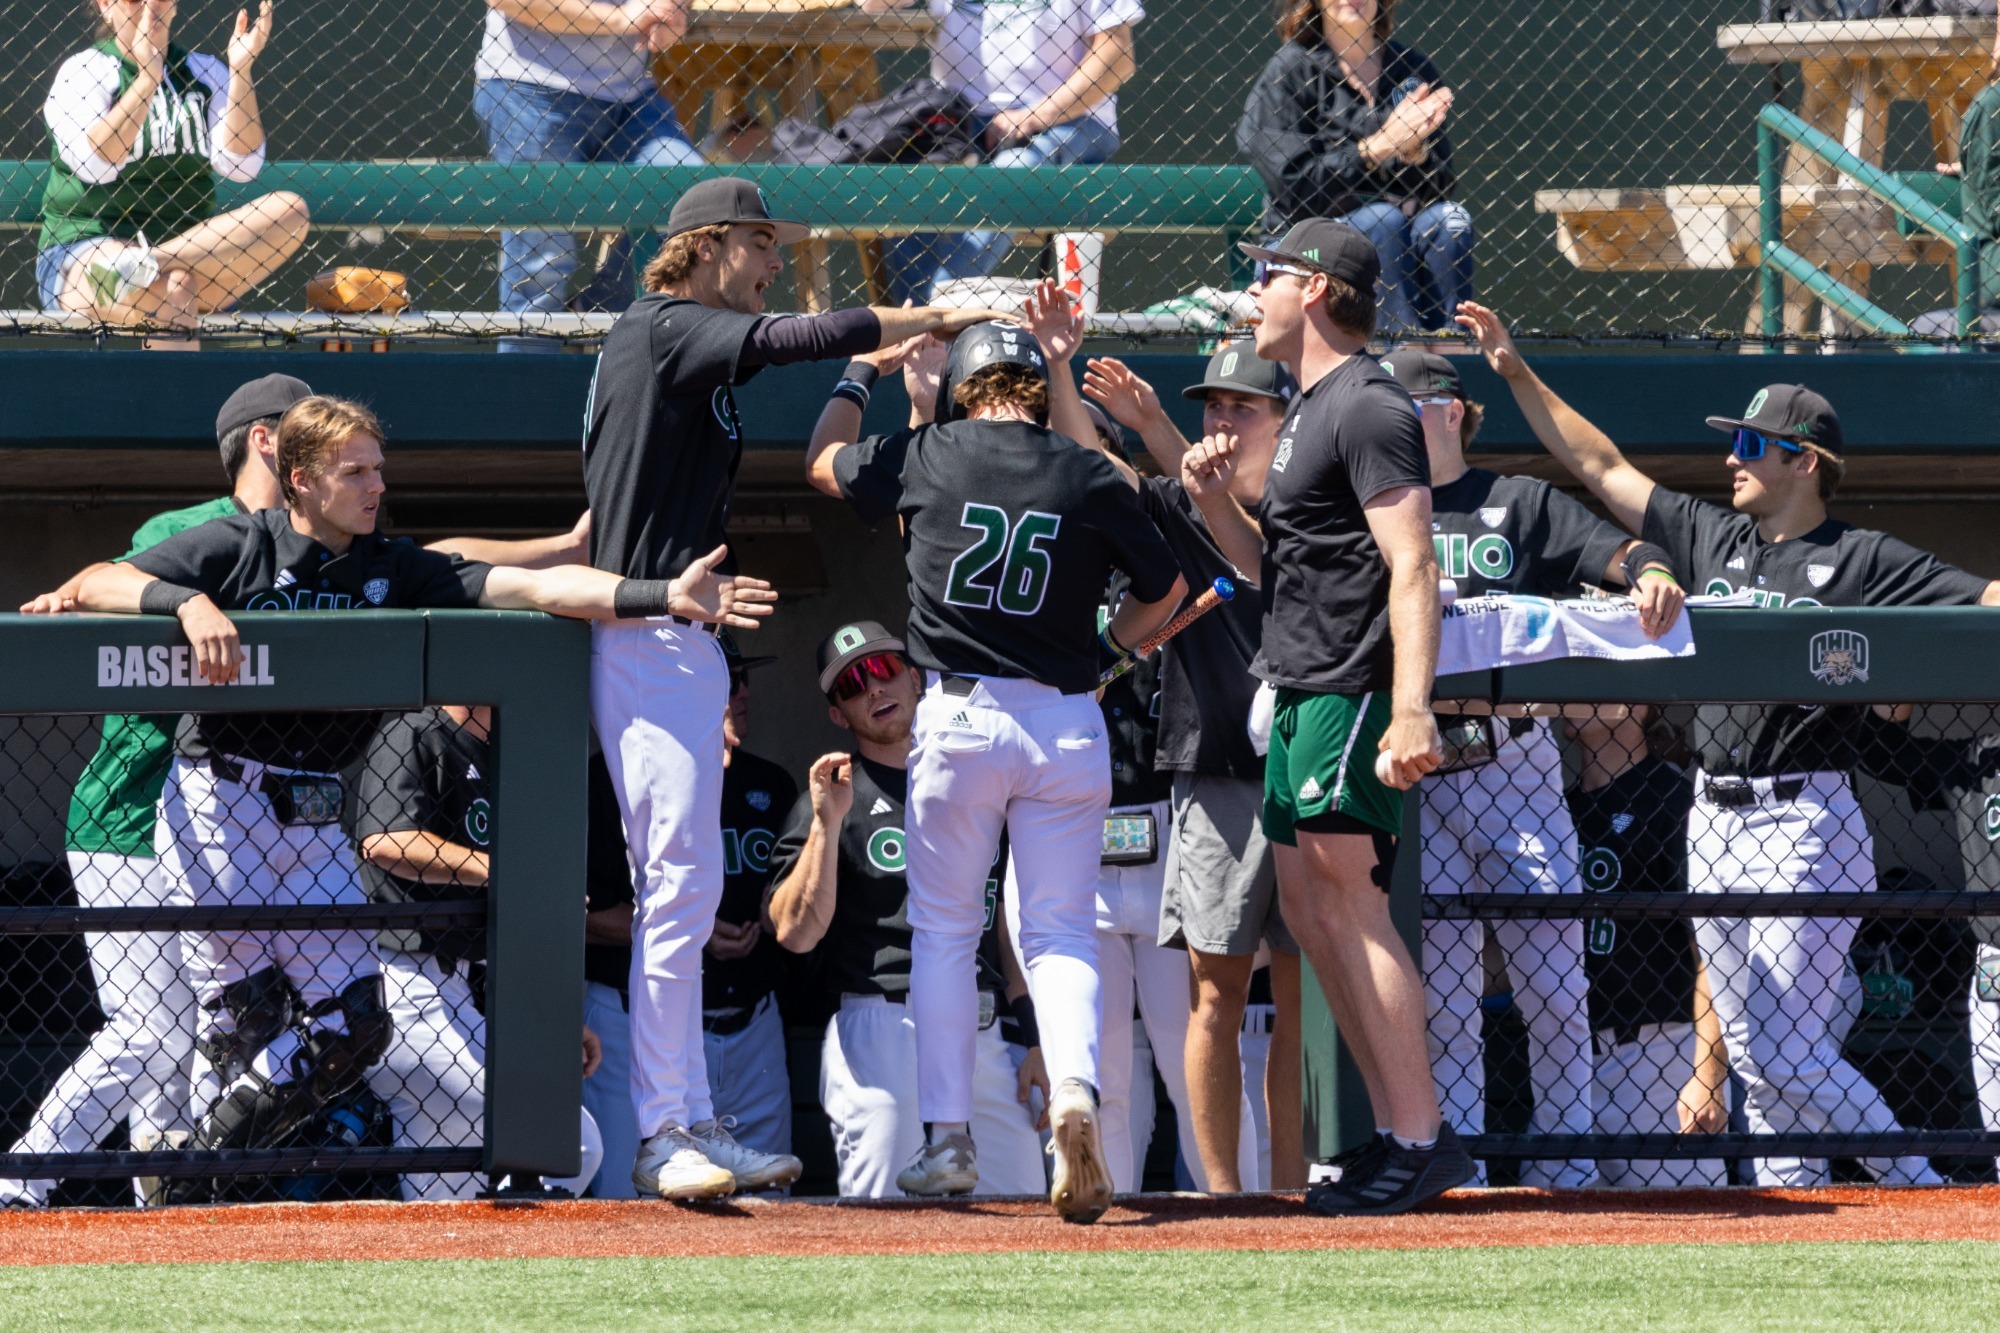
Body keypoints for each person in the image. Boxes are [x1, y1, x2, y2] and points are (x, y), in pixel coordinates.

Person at [67, 392, 768, 1179]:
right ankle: (201, 1185)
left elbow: (532, 590)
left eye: (378, 469)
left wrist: (659, 596)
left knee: (358, 1026)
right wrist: (189, 602)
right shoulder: (241, 542)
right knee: (246, 1016)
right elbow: (98, 581)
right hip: (220, 795)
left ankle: (199, 1162)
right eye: (354, 471)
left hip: (314, 807)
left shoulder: (390, 565)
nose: (375, 486)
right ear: (298, 479)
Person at [1457, 298, 2000, 1186]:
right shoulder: (1715, 535)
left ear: (1804, 461)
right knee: (1751, 1049)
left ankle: (1920, 1182)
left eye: (1751, 445)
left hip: (1806, 818)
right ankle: (1806, 1208)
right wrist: (1515, 371)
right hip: (1712, 814)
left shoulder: (1862, 557)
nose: (1731, 460)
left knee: (1786, 1047)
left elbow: (1982, 599)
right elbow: (1599, 465)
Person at [582, 174, 1003, 1201]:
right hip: (646, 632)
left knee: (680, 887)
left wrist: (863, 366)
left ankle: (688, 1118)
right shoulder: (663, 323)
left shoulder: (677, 341)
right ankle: (665, 1128)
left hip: (674, 626)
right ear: (715, 243)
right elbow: (788, 337)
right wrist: (939, 313)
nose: (774, 264)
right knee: (674, 887)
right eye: (764, 245)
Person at [804, 282, 1186, 1222]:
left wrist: (870, 368)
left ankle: (947, 1141)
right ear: (1030, 383)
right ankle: (1073, 1098)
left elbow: (821, 465)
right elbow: (1167, 587)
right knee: (1058, 930)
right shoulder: (1088, 469)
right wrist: (1109, 655)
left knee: (946, 930)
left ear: (972, 389)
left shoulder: (933, 448)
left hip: (962, 719)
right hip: (1064, 718)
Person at [1177, 217, 1472, 1215]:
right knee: (1306, 911)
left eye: (1264, 276)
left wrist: (1409, 708)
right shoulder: (1308, 406)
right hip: (1298, 684)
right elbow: (1280, 568)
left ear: (1312, 288)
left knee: (1351, 903)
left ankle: (1421, 1137)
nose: (1249, 292)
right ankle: (1395, 1132)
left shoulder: (1367, 402)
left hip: (1346, 690)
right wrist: (1218, 506)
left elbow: (1412, 564)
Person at [1380, 346, 1685, 1190]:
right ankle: (1462, 1162)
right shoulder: (1376, 505)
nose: (1401, 421)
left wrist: (1652, 566)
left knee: (1552, 979)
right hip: (1424, 769)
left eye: (1414, 405)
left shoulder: (1516, 500)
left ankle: (1570, 1158)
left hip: (1513, 762)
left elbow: (1614, 551)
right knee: (1442, 995)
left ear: (1452, 411)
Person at [0, 372, 304, 1210]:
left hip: (226, 827)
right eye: (304, 427)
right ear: (265, 438)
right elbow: (107, 576)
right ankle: (20, 1177)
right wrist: (169, 597)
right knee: (149, 1034)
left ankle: (161, 1212)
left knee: (199, 1044)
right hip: (131, 816)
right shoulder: (188, 529)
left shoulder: (322, 548)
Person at [1082, 342, 1301, 1192]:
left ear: (1286, 423)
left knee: (1298, 1001)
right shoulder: (1178, 500)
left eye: (1243, 406)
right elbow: (1094, 465)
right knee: (1215, 992)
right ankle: (1225, 1196)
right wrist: (1077, 380)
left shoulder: (1309, 498)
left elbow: (1250, 543)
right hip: (1215, 772)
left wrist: (1155, 425)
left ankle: (1292, 1188)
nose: (1223, 419)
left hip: (1308, 764)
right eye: (1214, 405)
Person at [766, 621, 1051, 1198]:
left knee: (1022, 1220)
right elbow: (794, 934)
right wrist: (827, 822)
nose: (872, 689)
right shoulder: (832, 799)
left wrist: (1037, 1037)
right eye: (851, 686)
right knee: (884, 1224)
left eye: (882, 670)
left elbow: (1006, 923)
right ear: (838, 715)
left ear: (916, 678)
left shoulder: (979, 783)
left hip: (984, 1024)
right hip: (882, 1022)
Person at [349, 703, 606, 1201]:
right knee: (536, 1129)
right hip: (405, 977)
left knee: (577, 1144)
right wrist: (501, 868)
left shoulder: (508, 752)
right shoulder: (415, 729)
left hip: (476, 987)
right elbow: (384, 841)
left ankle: (482, 1259)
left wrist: (552, 1016)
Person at [40, 1, 308, 347]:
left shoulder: (202, 70)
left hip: (187, 253)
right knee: (175, 288)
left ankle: (147, 261)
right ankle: (178, 400)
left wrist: (241, 70)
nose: (151, 6)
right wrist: (147, 78)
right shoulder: (84, 72)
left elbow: (242, 165)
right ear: (107, 6)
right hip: (88, 258)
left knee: (291, 210)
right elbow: (96, 165)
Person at [861, 0, 1141, 304]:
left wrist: (1034, 117)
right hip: (958, 122)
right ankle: (918, 328)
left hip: (1070, 119)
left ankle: (932, 323)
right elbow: (871, 5)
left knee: (1010, 174)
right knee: (912, 179)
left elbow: (1117, 57)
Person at [1562, 704, 1728, 1188]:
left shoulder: (1673, 798)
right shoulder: (1555, 808)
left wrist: (1706, 1071)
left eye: (1584, 685)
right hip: (1567, 1059)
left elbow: (1715, 952)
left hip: (1657, 1055)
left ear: (1626, 705)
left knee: (1684, 1234)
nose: (1565, 698)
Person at [1236, 0, 1472, 338]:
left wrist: (1414, 152)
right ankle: (1397, 351)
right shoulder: (1289, 70)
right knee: (1383, 222)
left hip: (1402, 236)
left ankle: (1450, 355)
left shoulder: (1411, 69)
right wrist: (1377, 147)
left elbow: (1441, 184)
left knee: (1451, 221)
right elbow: (1295, 183)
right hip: (1306, 239)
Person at [474, 0, 706, 334]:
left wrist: (671, 10)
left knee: (694, 207)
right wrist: (621, 18)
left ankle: (602, 314)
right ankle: (526, 380)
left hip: (629, 98)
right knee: (542, 267)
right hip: (528, 88)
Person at [696, 634, 802, 1184]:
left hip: (756, 1017)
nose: (743, 693)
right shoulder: (616, 781)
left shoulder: (772, 784)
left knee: (770, 1189)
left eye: (743, 678)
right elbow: (582, 912)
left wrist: (772, 912)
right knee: (644, 1202)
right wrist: (694, 931)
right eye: (728, 680)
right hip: (661, 1022)